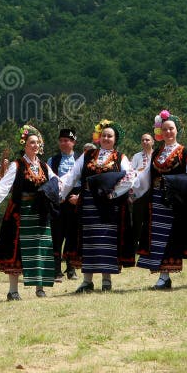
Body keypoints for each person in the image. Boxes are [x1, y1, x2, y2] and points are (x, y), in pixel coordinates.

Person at [59, 120, 137, 292]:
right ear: (98, 137)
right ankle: (87, 281)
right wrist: (59, 194)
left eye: (110, 136)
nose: (106, 138)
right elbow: (72, 175)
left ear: (115, 139)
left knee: (107, 240)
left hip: (109, 205)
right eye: (104, 135)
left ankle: (106, 280)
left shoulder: (120, 157)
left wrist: (113, 193)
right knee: (88, 240)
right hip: (88, 203)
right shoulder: (88, 155)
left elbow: (130, 177)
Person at [0, 125, 58, 300]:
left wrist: (66, 194)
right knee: (18, 251)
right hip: (21, 213)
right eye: (31, 142)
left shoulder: (44, 165)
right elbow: (4, 185)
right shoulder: (17, 164)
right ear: (25, 145)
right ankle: (13, 291)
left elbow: (57, 182)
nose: (35, 146)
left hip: (41, 212)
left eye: (37, 143)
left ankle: (40, 287)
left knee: (40, 248)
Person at [136, 110, 187, 289]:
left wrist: (172, 185)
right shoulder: (156, 153)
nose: (168, 132)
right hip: (156, 200)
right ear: (160, 133)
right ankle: (163, 276)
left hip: (174, 202)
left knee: (170, 238)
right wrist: (132, 189)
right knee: (157, 237)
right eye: (165, 129)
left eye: (171, 129)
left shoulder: (185, 153)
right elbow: (146, 177)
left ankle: (165, 276)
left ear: (177, 130)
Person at [46, 128, 78, 280]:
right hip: (58, 202)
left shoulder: (80, 159)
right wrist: (58, 196)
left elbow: (84, 180)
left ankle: (71, 269)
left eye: (67, 140)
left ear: (73, 142)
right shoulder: (53, 160)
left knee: (73, 235)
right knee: (56, 235)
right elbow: (49, 181)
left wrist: (78, 196)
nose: (64, 143)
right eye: (61, 141)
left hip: (74, 202)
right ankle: (56, 270)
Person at [130, 133, 154, 250]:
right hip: (139, 193)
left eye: (147, 140)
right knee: (137, 219)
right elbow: (131, 172)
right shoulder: (137, 156)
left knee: (151, 219)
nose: (145, 142)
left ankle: (148, 246)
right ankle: (134, 246)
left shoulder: (157, 155)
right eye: (143, 140)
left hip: (154, 191)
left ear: (152, 142)